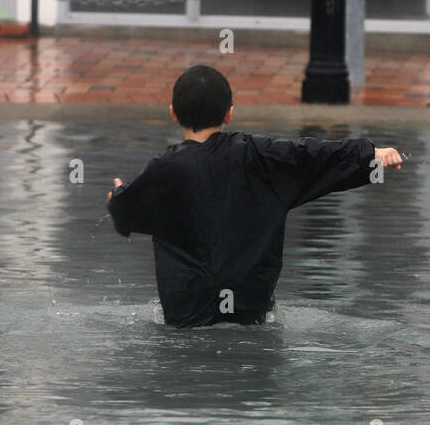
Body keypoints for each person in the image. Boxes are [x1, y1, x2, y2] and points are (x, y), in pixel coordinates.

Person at [106, 65, 402, 327]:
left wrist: (117, 198)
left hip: (186, 309)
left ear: (172, 112)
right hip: (250, 307)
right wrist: (368, 155)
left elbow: (127, 212)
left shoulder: (162, 171)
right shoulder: (260, 157)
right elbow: (309, 156)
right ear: (229, 113)